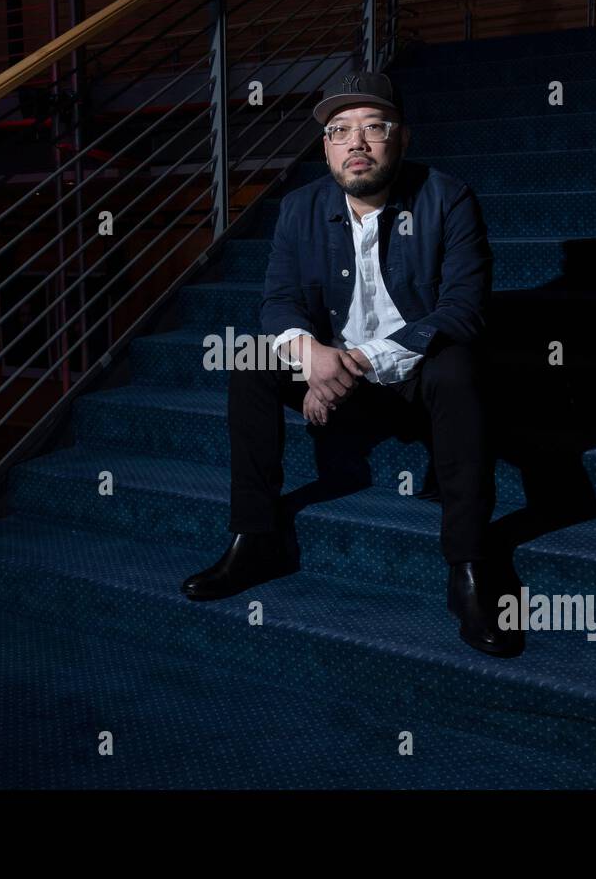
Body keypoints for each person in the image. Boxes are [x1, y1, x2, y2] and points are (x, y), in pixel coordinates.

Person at [180, 71, 521, 657]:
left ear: (402, 138)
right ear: (326, 148)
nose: (356, 143)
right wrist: (308, 355)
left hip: (416, 374)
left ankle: (469, 567)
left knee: (458, 364)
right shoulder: (299, 207)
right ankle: (256, 537)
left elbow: (463, 309)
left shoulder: (447, 197)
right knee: (250, 360)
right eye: (340, 131)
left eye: (373, 128)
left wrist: (351, 361)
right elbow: (279, 301)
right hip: (336, 367)